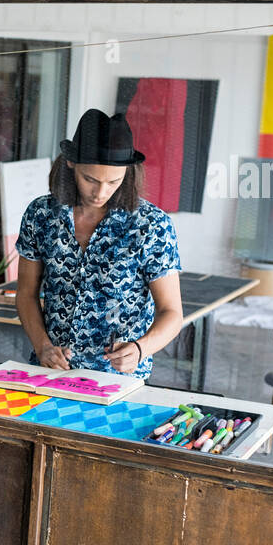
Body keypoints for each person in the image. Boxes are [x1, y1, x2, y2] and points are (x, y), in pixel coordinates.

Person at [14, 108, 183, 379]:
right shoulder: (41, 214)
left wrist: (140, 350)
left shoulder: (151, 225)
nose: (101, 192)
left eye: (113, 181)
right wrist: (42, 345)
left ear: (128, 173)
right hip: (51, 371)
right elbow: (25, 293)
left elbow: (172, 312)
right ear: (71, 163)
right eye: (90, 179)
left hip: (117, 380)